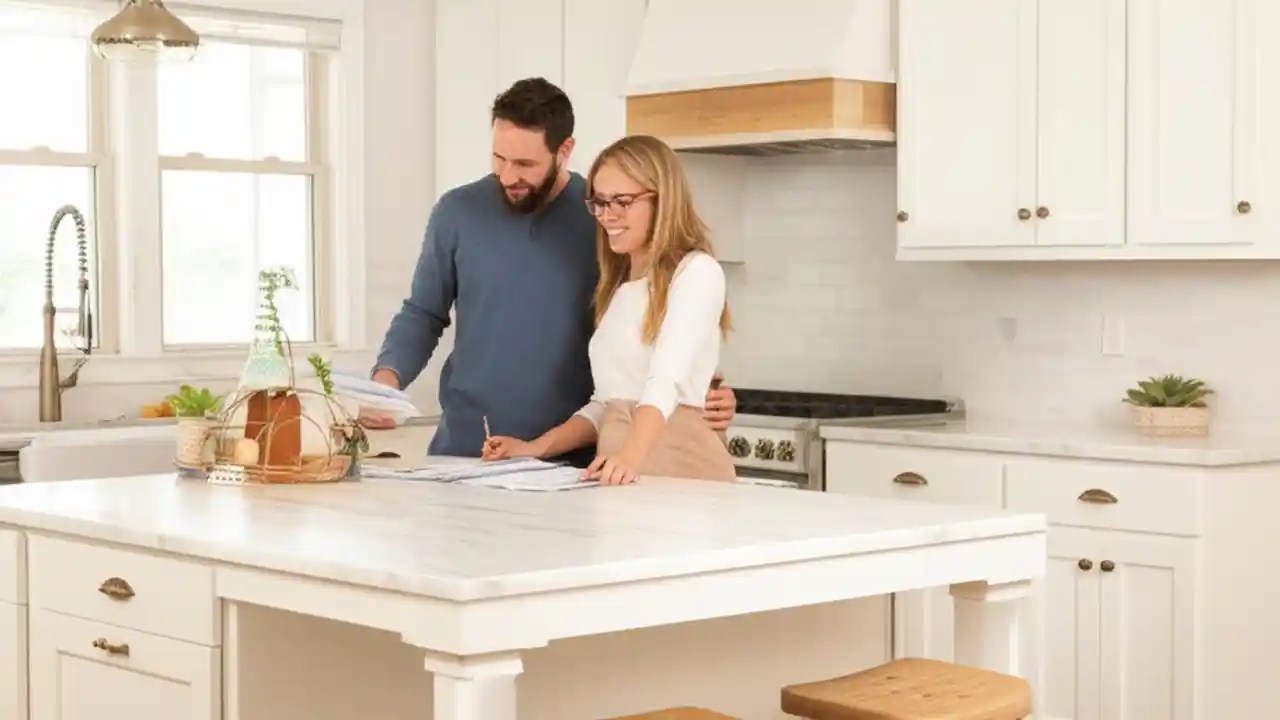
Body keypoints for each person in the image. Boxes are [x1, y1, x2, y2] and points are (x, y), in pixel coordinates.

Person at [367, 77, 736, 466]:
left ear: (565, 150)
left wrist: (700, 394)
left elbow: (659, 329)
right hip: (468, 449)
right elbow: (423, 313)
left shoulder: (603, 219)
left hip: (575, 461)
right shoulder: (457, 213)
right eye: (499, 158)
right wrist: (384, 385)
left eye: (525, 164)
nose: (509, 176)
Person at [482, 134, 736, 485]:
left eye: (622, 201)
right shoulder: (618, 288)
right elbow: (606, 405)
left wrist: (629, 455)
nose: (606, 215)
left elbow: (666, 381)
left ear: (663, 201)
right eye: (599, 202)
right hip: (624, 476)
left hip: (682, 474)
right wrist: (534, 448)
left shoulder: (697, 272)